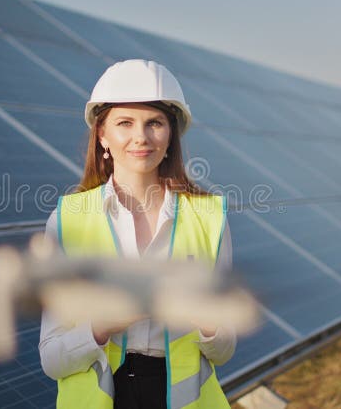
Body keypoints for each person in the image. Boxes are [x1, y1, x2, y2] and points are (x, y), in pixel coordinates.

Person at [39, 59, 235, 409]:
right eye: (125, 123)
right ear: (102, 134)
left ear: (171, 133)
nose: (140, 137)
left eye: (154, 123)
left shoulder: (210, 220)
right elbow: (52, 360)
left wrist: (205, 321)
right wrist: (100, 326)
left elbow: (224, 350)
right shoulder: (66, 222)